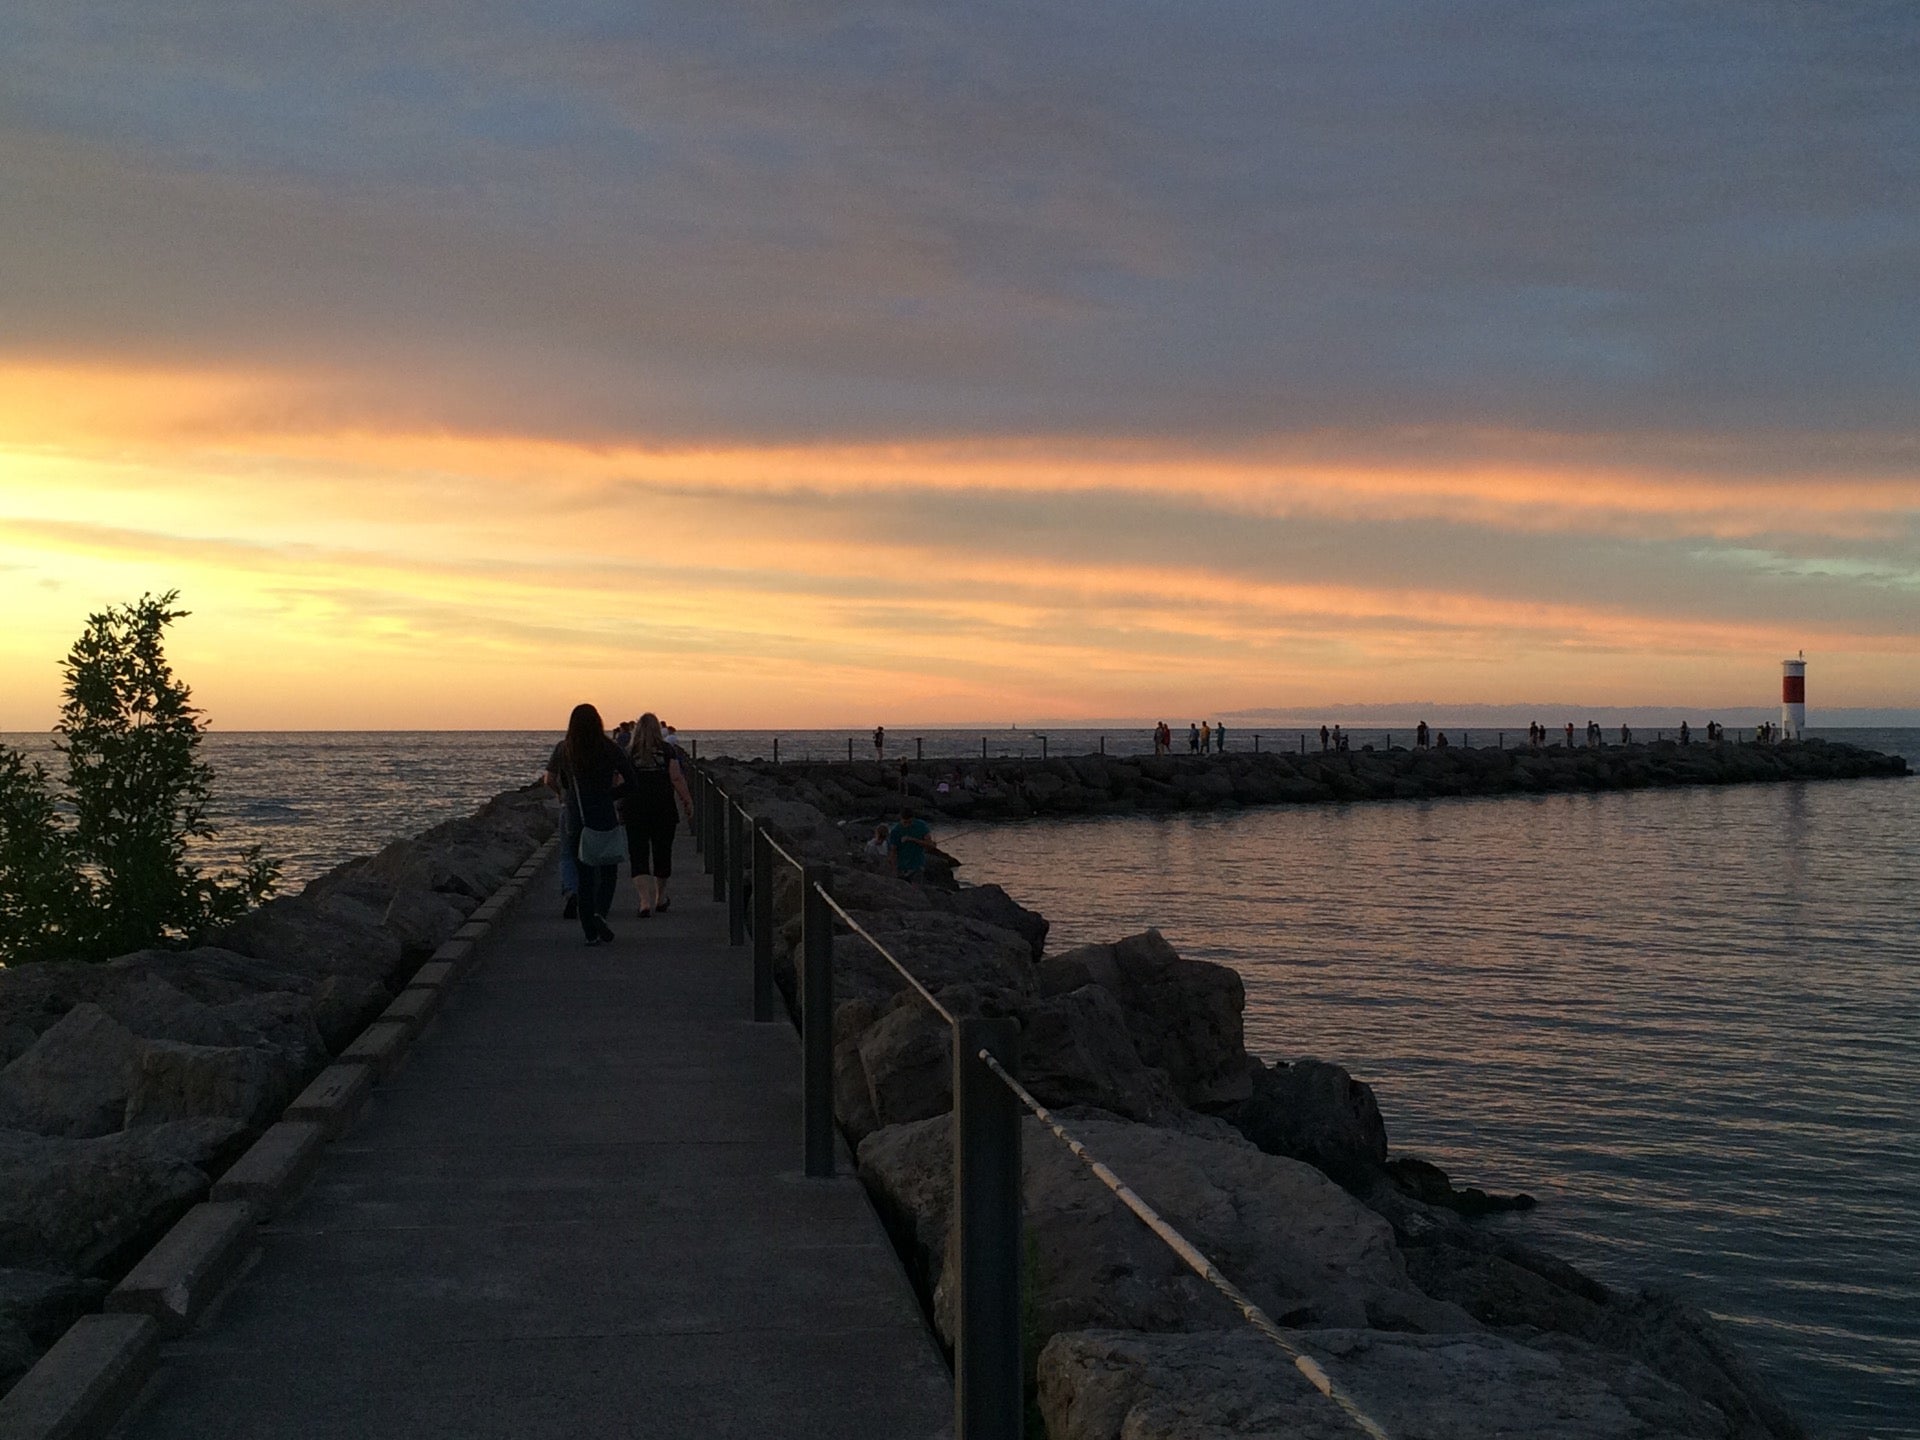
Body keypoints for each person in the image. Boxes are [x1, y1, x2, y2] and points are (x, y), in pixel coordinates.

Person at [555, 703, 641, 946]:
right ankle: (600, 914)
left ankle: (590, 933)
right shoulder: (609, 748)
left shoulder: (565, 751)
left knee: (584, 877)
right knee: (608, 871)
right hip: (603, 816)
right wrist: (609, 796)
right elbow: (632, 782)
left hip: (576, 819)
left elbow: (563, 783)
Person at [622, 713, 693, 918]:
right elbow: (676, 777)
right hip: (663, 807)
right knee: (662, 851)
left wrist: (616, 802)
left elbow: (619, 780)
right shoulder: (667, 750)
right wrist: (687, 800)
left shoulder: (629, 752)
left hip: (635, 808)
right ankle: (660, 897)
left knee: (638, 853)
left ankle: (644, 901)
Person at [540, 743, 581, 920]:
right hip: (595, 808)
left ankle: (571, 891)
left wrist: (560, 794)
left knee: (567, 854)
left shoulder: (563, 748)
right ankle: (593, 898)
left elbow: (548, 779)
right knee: (594, 853)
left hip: (569, 806)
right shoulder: (604, 746)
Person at [888, 807, 934, 881]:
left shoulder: (921, 826)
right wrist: (894, 870)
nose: (907, 825)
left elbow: (930, 845)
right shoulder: (895, 831)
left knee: (916, 889)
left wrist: (912, 839)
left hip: (917, 866)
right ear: (901, 819)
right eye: (905, 822)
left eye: (910, 822)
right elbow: (893, 852)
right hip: (902, 867)